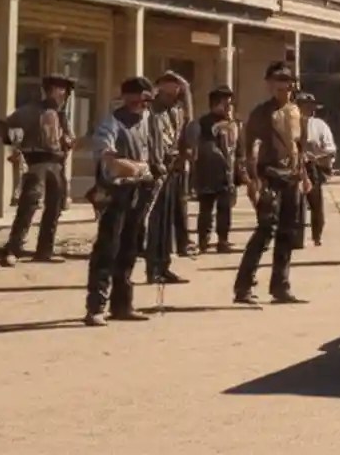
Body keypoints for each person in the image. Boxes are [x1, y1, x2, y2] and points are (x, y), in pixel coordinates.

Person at [83, 77, 158, 326]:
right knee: (108, 249)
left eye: (146, 100)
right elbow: (112, 162)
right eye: (139, 99)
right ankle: (96, 307)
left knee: (130, 249)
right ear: (127, 98)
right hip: (115, 194)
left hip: (139, 194)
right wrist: (140, 168)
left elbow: (155, 154)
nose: (143, 105)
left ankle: (122, 305)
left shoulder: (149, 120)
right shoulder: (110, 124)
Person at [233, 62, 309, 305]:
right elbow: (250, 150)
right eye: (278, 81)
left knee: (288, 233)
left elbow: (300, 147)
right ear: (270, 84)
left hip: (291, 176)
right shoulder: (261, 113)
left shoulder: (296, 113)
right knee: (265, 230)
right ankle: (243, 286)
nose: (283, 86)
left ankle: (281, 286)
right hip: (269, 176)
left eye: (287, 81)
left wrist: (304, 177)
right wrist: (254, 181)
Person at [0, 74, 76, 267]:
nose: (63, 93)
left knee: (55, 207)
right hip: (37, 162)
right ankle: (13, 249)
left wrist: (68, 141)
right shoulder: (31, 111)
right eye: (59, 89)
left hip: (57, 164)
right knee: (29, 205)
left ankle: (44, 250)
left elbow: (69, 138)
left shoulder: (62, 114)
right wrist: (15, 145)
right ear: (48, 90)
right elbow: (4, 126)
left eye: (65, 90)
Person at [146, 71, 193, 285]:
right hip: (156, 168)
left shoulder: (177, 110)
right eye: (172, 86)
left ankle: (164, 265)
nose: (176, 90)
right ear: (161, 87)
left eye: (178, 87)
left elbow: (187, 128)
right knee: (157, 220)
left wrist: (187, 92)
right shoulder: (152, 110)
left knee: (168, 221)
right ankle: (154, 267)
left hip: (173, 167)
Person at [188, 86, 244, 254]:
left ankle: (223, 240)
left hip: (226, 174)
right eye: (225, 103)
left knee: (225, 208)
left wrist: (239, 168)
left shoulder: (233, 123)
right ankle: (203, 241)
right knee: (206, 208)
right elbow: (204, 147)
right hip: (208, 172)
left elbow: (238, 148)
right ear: (215, 104)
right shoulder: (203, 123)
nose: (228, 106)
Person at [296, 92, 337, 246]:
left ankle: (317, 235)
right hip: (293, 167)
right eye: (302, 106)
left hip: (311, 167)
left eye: (308, 107)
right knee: (295, 205)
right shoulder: (290, 123)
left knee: (316, 204)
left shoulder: (319, 125)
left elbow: (330, 148)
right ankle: (296, 237)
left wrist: (316, 156)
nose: (306, 110)